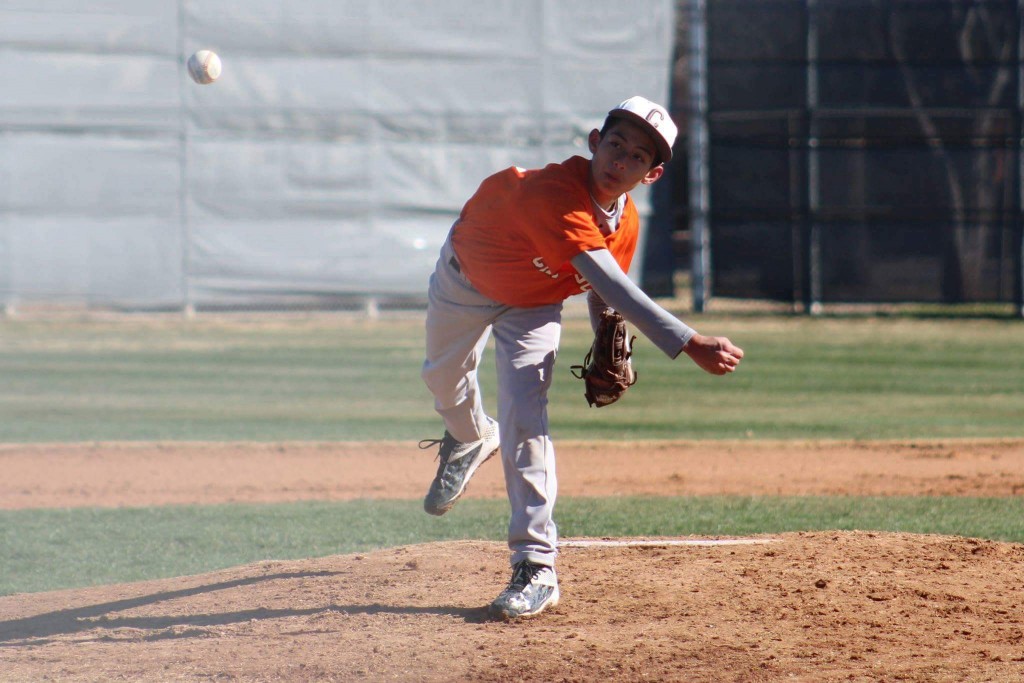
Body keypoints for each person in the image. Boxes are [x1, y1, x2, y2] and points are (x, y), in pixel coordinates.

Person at [419, 96, 744, 621]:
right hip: (465, 280)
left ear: (652, 174)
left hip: (533, 307)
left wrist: (608, 338)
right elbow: (610, 281)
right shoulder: (556, 193)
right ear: (595, 142)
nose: (621, 160)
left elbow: (603, 291)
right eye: (616, 144)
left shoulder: (625, 222)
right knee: (443, 380)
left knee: (526, 417)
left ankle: (535, 565)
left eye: (638, 156)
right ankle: (470, 435)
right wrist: (688, 341)